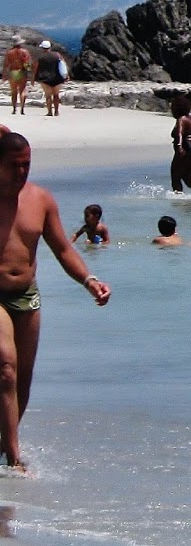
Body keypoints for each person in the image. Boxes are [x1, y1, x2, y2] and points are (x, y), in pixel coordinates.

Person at [0, 131, 111, 470]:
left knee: (22, 382)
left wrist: (89, 280)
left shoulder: (41, 200)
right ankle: (16, 460)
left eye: (27, 165)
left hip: (27, 296)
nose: (23, 172)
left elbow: (63, 249)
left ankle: (4, 446)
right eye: (15, 166)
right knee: (5, 368)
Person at [31, 41, 68, 117]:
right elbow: (63, 65)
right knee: (56, 95)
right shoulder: (57, 55)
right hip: (57, 78)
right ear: (50, 47)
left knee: (48, 96)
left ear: (42, 48)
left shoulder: (40, 57)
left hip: (44, 78)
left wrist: (33, 78)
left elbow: (35, 68)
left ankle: (50, 112)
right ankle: (56, 111)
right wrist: (66, 75)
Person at [3, 38, 30, 116]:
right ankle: (22, 109)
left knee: (14, 91)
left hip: (12, 72)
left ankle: (14, 109)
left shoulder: (9, 52)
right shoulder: (25, 51)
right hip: (21, 72)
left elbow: (6, 64)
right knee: (22, 91)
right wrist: (29, 70)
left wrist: (4, 74)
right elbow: (26, 63)